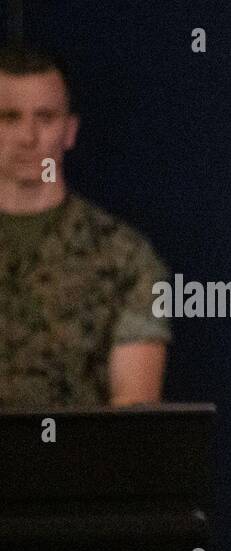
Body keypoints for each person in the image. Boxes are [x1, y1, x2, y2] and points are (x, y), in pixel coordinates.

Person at [0, 43, 170, 409]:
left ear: (69, 130)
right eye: (9, 117)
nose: (28, 138)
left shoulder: (124, 259)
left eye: (45, 117)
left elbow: (133, 413)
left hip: (76, 464)